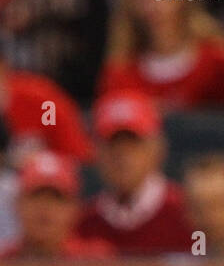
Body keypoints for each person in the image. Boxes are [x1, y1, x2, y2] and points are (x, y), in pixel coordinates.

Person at [77, 90, 193, 255]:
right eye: (112, 144)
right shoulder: (84, 223)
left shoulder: (188, 214)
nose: (122, 155)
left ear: (157, 149)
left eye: (133, 144)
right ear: (97, 152)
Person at [0, 151, 111, 260]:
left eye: (57, 198)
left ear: (75, 208)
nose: (45, 207)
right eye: (36, 196)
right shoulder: (4, 261)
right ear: (17, 204)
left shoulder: (96, 260)